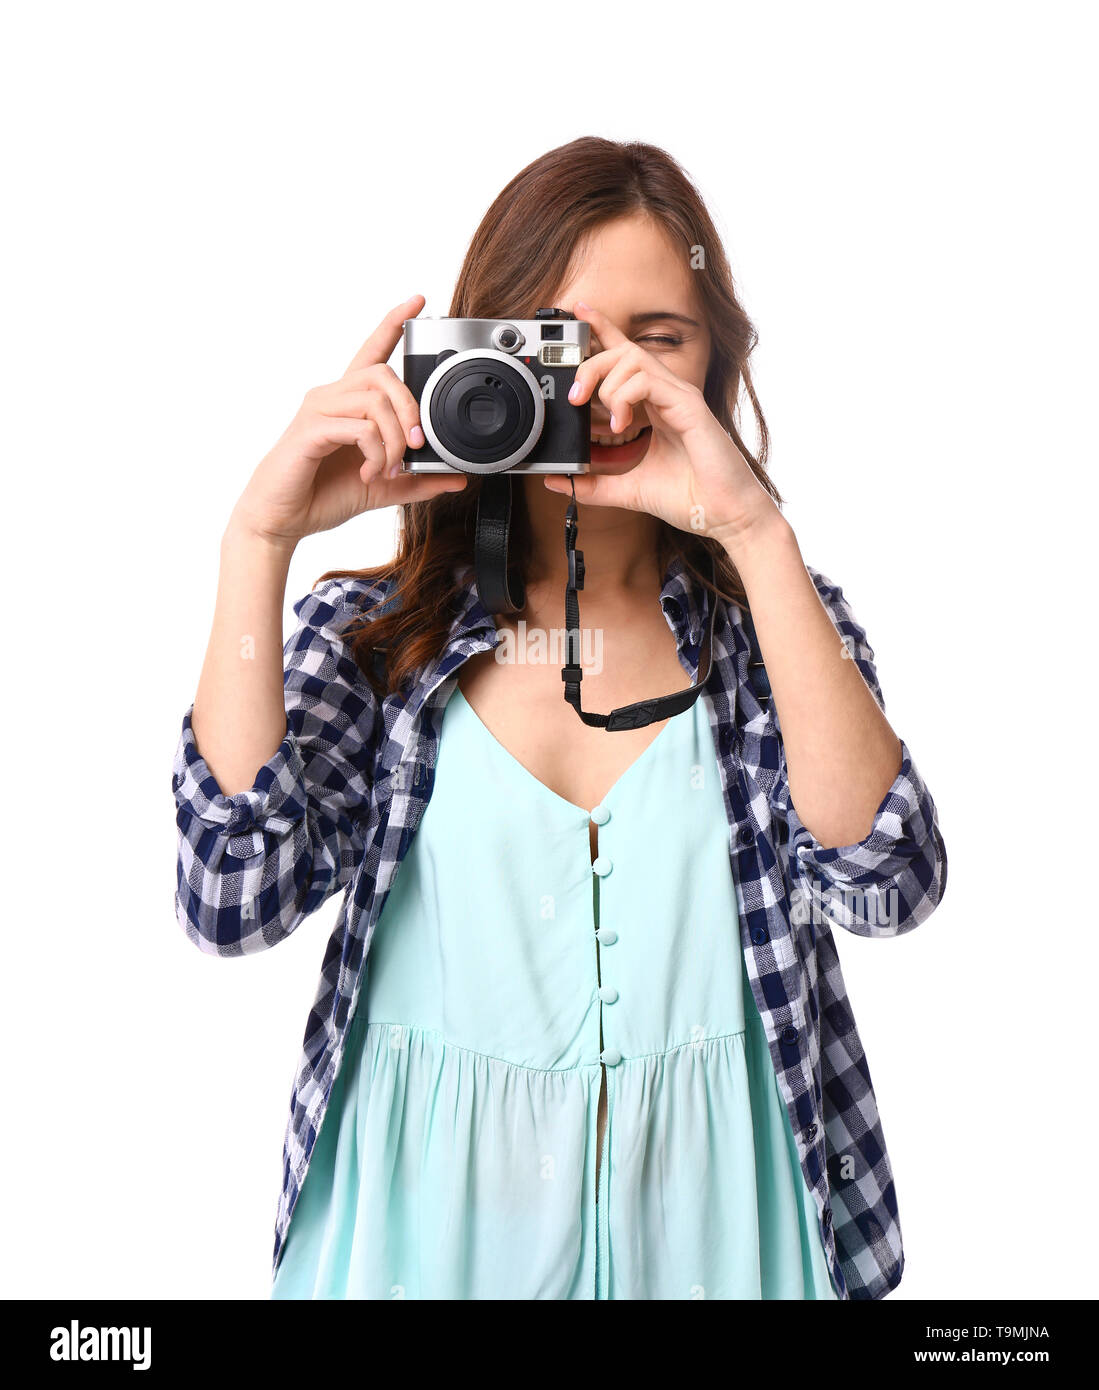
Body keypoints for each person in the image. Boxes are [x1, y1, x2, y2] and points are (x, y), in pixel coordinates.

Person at [172, 136, 947, 1300]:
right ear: (477, 361)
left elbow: (887, 882)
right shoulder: (379, 645)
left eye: (659, 338)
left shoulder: (773, 633)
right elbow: (233, 896)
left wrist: (754, 534)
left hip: (724, 1234)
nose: (606, 380)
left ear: (715, 367)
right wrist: (258, 543)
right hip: (418, 1241)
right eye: (559, 344)